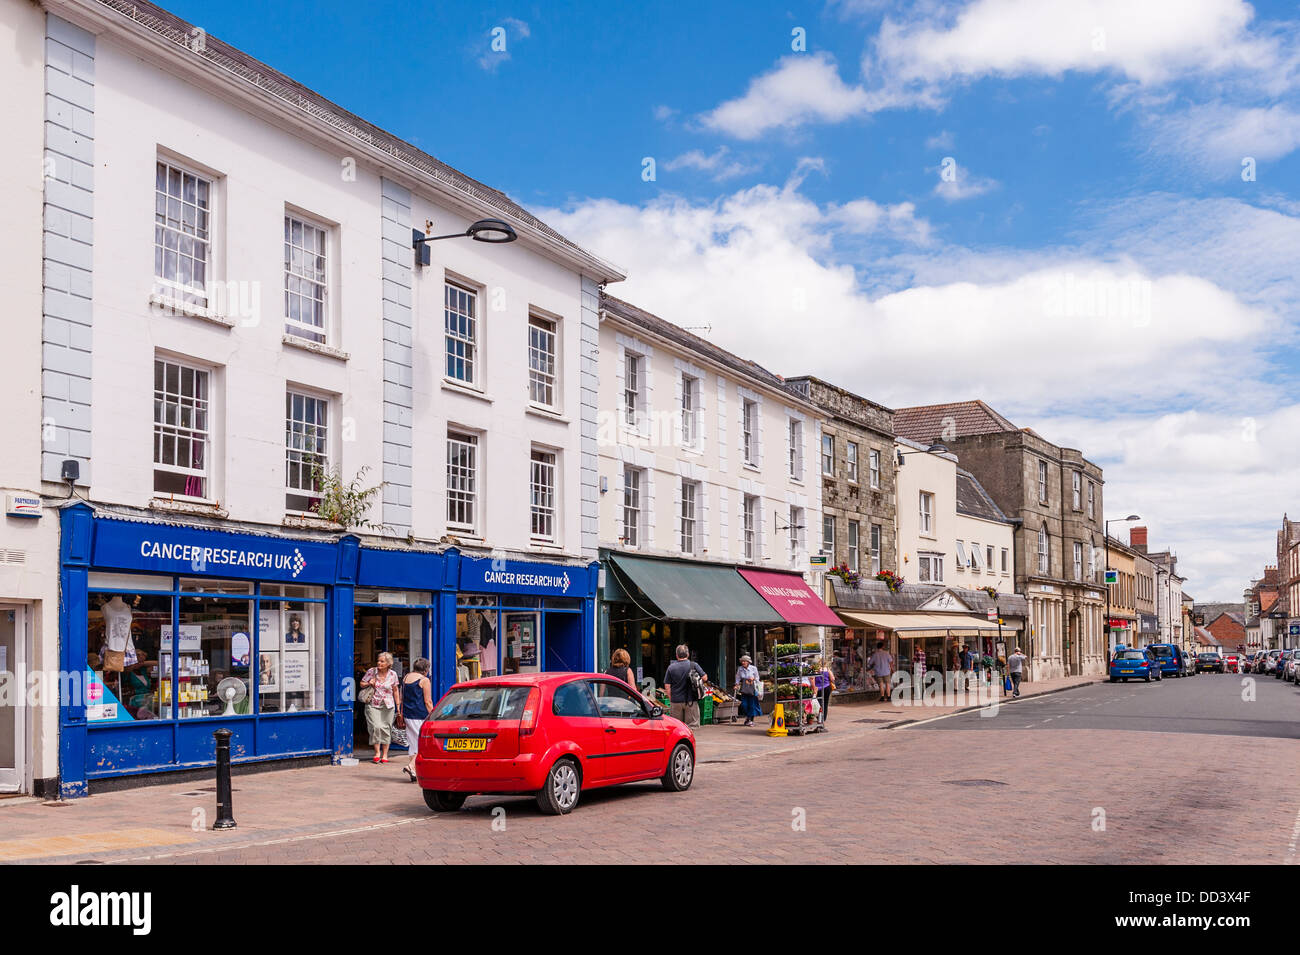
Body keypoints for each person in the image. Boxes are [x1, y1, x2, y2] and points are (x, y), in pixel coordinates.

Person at [360, 651, 401, 763]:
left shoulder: (393, 674)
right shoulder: (372, 671)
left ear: (388, 663)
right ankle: (377, 752)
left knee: (386, 728)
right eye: (378, 660)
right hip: (373, 704)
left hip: (388, 705)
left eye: (382, 661)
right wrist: (369, 683)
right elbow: (361, 683)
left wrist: (398, 706)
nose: (379, 663)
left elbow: (395, 690)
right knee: (376, 727)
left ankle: (385, 755)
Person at [401, 658, 433, 782]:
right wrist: (433, 715)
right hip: (420, 715)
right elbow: (427, 701)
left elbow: (402, 698)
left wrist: (401, 713)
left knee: (413, 743)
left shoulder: (406, 678)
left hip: (408, 715)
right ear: (426, 669)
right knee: (423, 744)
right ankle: (411, 766)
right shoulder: (424, 680)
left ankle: (414, 772)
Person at [664, 645, 707, 727]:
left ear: (677, 655)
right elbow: (705, 678)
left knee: (677, 727)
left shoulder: (671, 667)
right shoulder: (694, 665)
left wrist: (671, 698)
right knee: (692, 727)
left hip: (676, 701)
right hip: (691, 701)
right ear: (688, 655)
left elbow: (667, 686)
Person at [734, 654, 761, 727]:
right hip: (744, 688)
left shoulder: (753, 668)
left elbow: (757, 678)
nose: (743, 663)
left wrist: (754, 679)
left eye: (744, 661)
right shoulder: (740, 669)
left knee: (752, 705)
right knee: (744, 705)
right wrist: (736, 684)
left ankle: (751, 720)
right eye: (742, 661)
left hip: (752, 688)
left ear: (748, 662)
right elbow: (738, 677)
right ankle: (748, 718)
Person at [815, 662, 836, 727]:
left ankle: (819, 718)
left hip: (818, 689)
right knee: (825, 703)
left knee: (819, 703)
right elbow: (833, 679)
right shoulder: (827, 669)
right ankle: (823, 718)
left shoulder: (816, 670)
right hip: (827, 687)